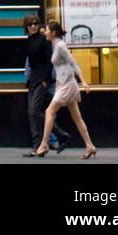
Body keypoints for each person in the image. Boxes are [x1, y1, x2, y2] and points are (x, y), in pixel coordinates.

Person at [34, 21, 96, 159]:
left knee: (49, 111)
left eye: (47, 30)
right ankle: (90, 145)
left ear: (54, 32)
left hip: (68, 84)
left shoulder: (61, 46)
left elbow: (72, 62)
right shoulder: (55, 45)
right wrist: (57, 88)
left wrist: (84, 81)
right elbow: (59, 69)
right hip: (64, 84)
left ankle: (44, 144)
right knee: (76, 117)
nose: (45, 32)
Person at [22, 13, 69, 157]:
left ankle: (59, 135)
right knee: (32, 113)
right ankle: (38, 145)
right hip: (33, 80)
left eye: (36, 23)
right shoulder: (29, 41)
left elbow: (50, 61)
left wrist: (46, 80)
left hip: (42, 80)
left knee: (35, 111)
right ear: (26, 27)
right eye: (31, 24)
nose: (34, 26)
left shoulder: (43, 41)